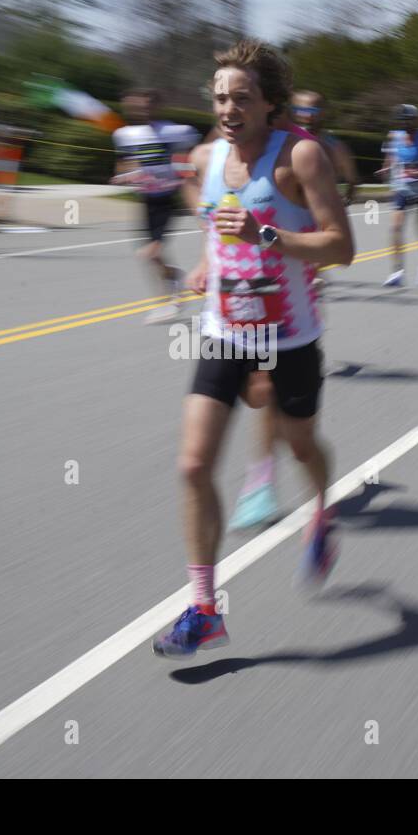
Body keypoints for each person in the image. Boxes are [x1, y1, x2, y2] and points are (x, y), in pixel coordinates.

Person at [153, 39, 355, 658]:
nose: (228, 107)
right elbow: (218, 224)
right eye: (219, 97)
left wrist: (269, 235)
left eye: (241, 97)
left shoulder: (301, 156)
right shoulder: (209, 156)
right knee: (192, 464)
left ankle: (322, 509)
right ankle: (204, 609)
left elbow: (342, 247)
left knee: (300, 445)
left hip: (288, 336)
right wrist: (206, 263)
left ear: (270, 103)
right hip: (224, 332)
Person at [226, 89, 359, 532]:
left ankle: (263, 481)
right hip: (254, 285)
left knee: (271, 391)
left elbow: (335, 224)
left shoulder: (308, 148)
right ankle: (265, 477)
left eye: (311, 109)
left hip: (292, 280)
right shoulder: (246, 143)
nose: (306, 114)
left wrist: (310, 258)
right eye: (302, 108)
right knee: (260, 391)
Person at [111, 88, 199, 323]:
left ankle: (174, 290)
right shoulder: (127, 135)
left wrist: (185, 175)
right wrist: (125, 175)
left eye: (148, 105)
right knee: (150, 256)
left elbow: (192, 158)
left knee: (150, 252)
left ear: (157, 106)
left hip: (167, 199)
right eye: (140, 106)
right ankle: (168, 295)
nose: (143, 109)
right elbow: (124, 164)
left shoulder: (176, 132)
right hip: (146, 200)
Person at [380, 104, 418, 286]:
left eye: (409, 120)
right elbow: (391, 158)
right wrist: (385, 168)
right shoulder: (394, 136)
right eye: (402, 121)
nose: (405, 125)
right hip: (402, 188)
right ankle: (397, 271)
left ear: (417, 119)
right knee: (396, 227)